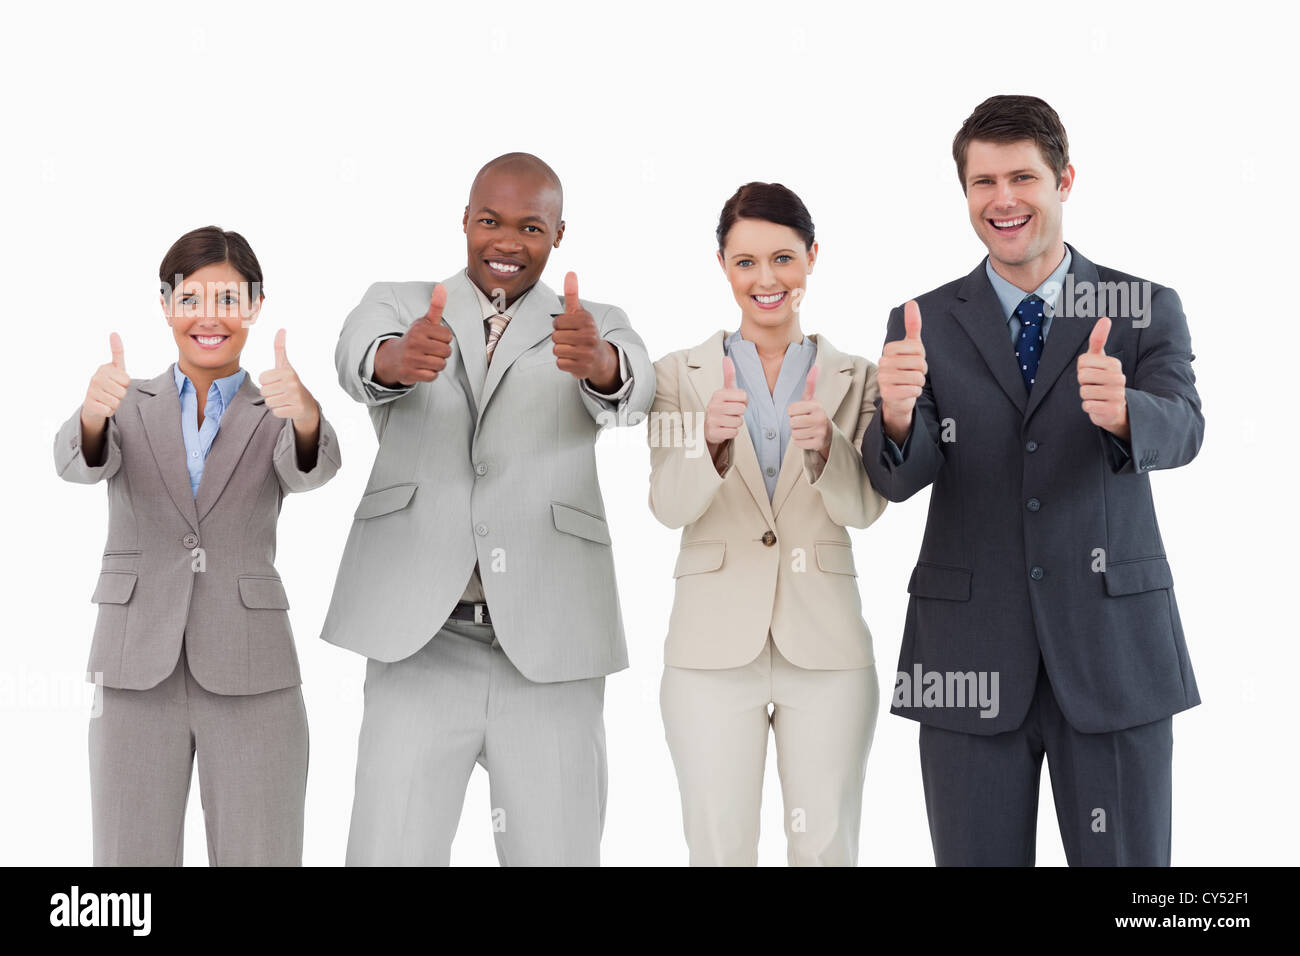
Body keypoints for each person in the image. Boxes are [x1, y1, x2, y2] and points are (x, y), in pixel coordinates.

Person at [861, 95, 1204, 866]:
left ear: (1064, 180)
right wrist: (893, 417)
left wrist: (1126, 416)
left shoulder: (1140, 307)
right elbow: (899, 480)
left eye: (1022, 177)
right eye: (983, 182)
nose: (1003, 200)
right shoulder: (921, 321)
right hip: (968, 660)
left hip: (1114, 652)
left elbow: (1185, 427)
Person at [323, 152, 655, 866]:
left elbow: (637, 390)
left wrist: (599, 365)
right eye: (489, 222)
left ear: (560, 234)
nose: (506, 242)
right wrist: (395, 360)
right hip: (419, 637)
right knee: (388, 852)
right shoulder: (400, 302)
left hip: (551, 645)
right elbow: (357, 356)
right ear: (464, 222)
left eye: (530, 227)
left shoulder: (594, 323)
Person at [53, 225, 341, 865]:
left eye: (229, 300)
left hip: (252, 670)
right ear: (165, 306)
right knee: (129, 870)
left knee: (261, 853)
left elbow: (313, 471)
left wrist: (308, 416)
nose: (208, 318)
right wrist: (93, 417)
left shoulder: (279, 406)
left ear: (256, 307)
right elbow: (77, 464)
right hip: (135, 667)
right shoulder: (124, 398)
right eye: (189, 299)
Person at [647, 182, 887, 866]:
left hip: (829, 649)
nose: (766, 279)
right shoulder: (678, 375)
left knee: (826, 848)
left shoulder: (858, 377)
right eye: (746, 261)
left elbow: (867, 509)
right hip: (710, 652)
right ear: (723, 265)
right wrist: (711, 447)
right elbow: (667, 506)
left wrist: (828, 452)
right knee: (719, 850)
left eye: (783, 258)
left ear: (812, 259)